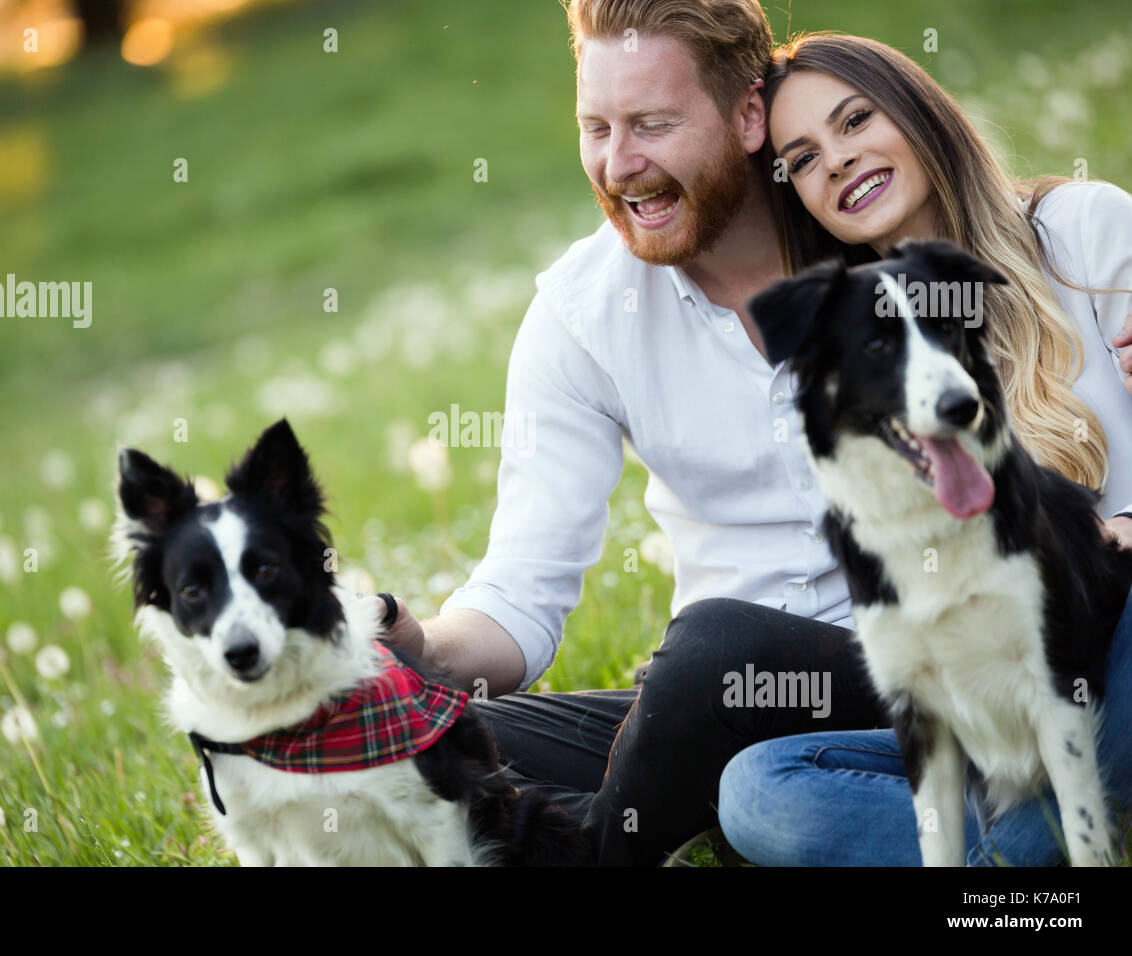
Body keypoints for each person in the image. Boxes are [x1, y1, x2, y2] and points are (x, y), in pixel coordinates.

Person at [370, 2, 1132, 866]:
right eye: (596, 128)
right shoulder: (584, 316)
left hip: (926, 657)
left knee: (715, 654)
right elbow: (521, 589)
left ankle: (598, 848)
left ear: (747, 118)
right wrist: (415, 645)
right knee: (423, 733)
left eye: (653, 124)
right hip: (733, 707)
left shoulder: (877, 241)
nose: (621, 165)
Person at [714, 32, 1132, 865]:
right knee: (760, 789)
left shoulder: (1085, 230)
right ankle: (1035, 846)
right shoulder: (853, 361)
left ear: (917, 111)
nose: (835, 160)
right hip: (998, 715)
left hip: (1121, 633)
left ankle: (1027, 854)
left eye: (855, 119)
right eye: (801, 157)